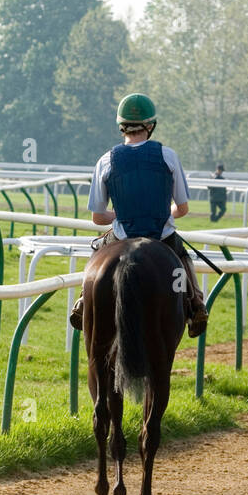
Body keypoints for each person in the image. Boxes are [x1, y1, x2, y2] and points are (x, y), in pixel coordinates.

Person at [69, 93, 209, 338]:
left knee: (98, 249)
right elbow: (183, 209)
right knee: (182, 256)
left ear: (121, 126)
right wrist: (165, 214)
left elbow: (97, 217)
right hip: (162, 237)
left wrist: (120, 214)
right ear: (151, 125)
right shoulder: (168, 156)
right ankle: (196, 303)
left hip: (122, 237)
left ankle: (82, 300)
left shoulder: (105, 161)